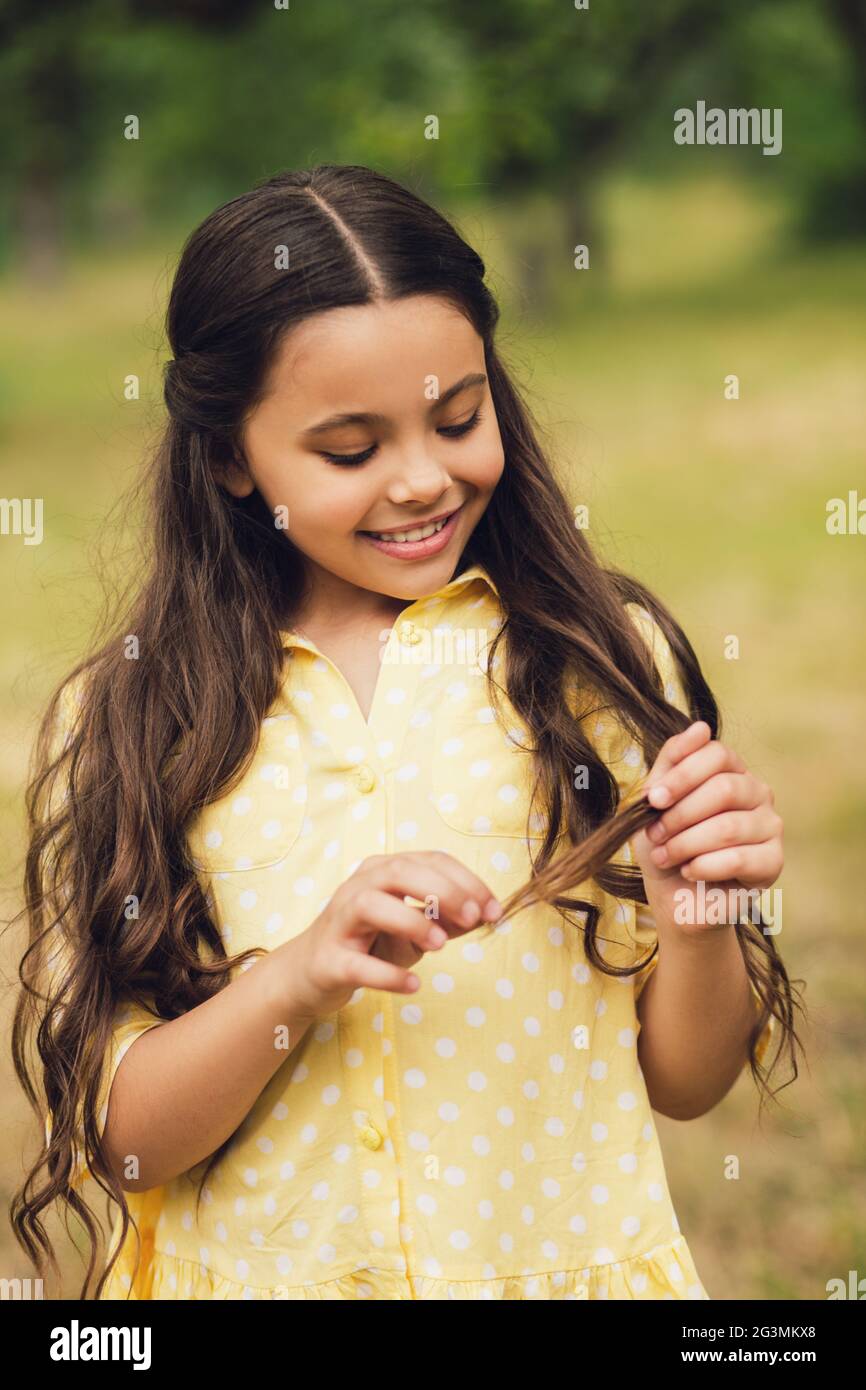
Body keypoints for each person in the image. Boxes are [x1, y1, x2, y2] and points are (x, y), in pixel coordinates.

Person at [12, 164, 801, 1301]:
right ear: (231, 456)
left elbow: (686, 1081)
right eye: (350, 451)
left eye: (457, 418)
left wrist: (698, 915)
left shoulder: (589, 660)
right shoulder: (139, 716)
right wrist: (290, 984)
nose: (424, 478)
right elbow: (125, 1142)